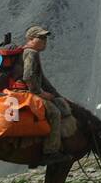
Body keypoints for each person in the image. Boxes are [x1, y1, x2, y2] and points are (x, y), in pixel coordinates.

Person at [20, 25, 72, 159]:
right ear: (30, 39)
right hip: (30, 92)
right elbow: (28, 76)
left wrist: (57, 96)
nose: (44, 40)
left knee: (59, 105)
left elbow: (42, 79)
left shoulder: (28, 52)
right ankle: (51, 151)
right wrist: (39, 93)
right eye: (41, 37)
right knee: (55, 113)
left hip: (30, 91)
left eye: (45, 38)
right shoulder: (31, 53)